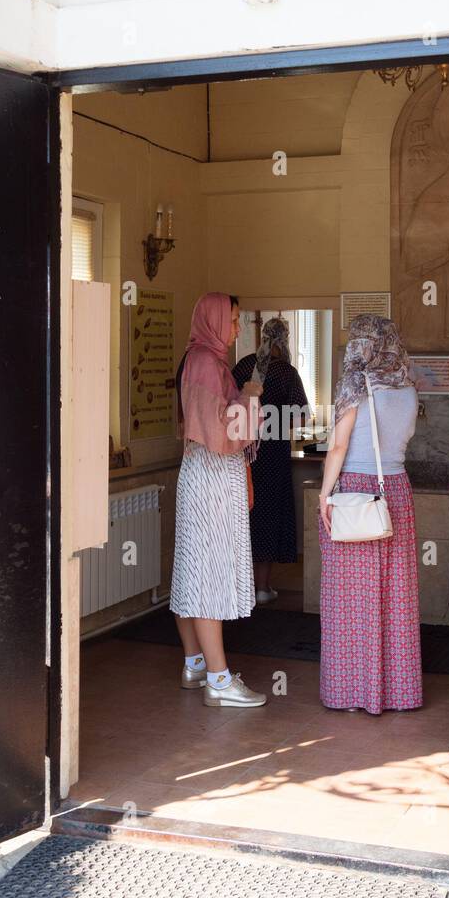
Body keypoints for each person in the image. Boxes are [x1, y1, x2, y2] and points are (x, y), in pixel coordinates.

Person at [316, 314, 423, 714]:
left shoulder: (354, 384)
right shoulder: (407, 386)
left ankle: (353, 692)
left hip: (355, 496)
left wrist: (324, 494)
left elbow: (339, 446)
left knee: (351, 599)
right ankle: (397, 692)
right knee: (395, 598)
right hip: (396, 492)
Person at [169, 292, 268, 708]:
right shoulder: (208, 365)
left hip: (199, 473)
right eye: (232, 320)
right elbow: (223, 434)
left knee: (191, 569)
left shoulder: (196, 360)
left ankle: (194, 662)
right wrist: (251, 397)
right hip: (211, 476)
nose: (236, 328)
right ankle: (219, 680)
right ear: (213, 319)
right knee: (208, 576)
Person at [232, 316, 310, 604]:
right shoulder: (287, 373)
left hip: (242, 453)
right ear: (284, 339)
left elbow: (227, 402)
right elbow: (301, 414)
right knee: (269, 517)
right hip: (274, 453)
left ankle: (241, 587)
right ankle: (263, 587)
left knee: (244, 517)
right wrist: (275, 422)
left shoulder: (243, 366)